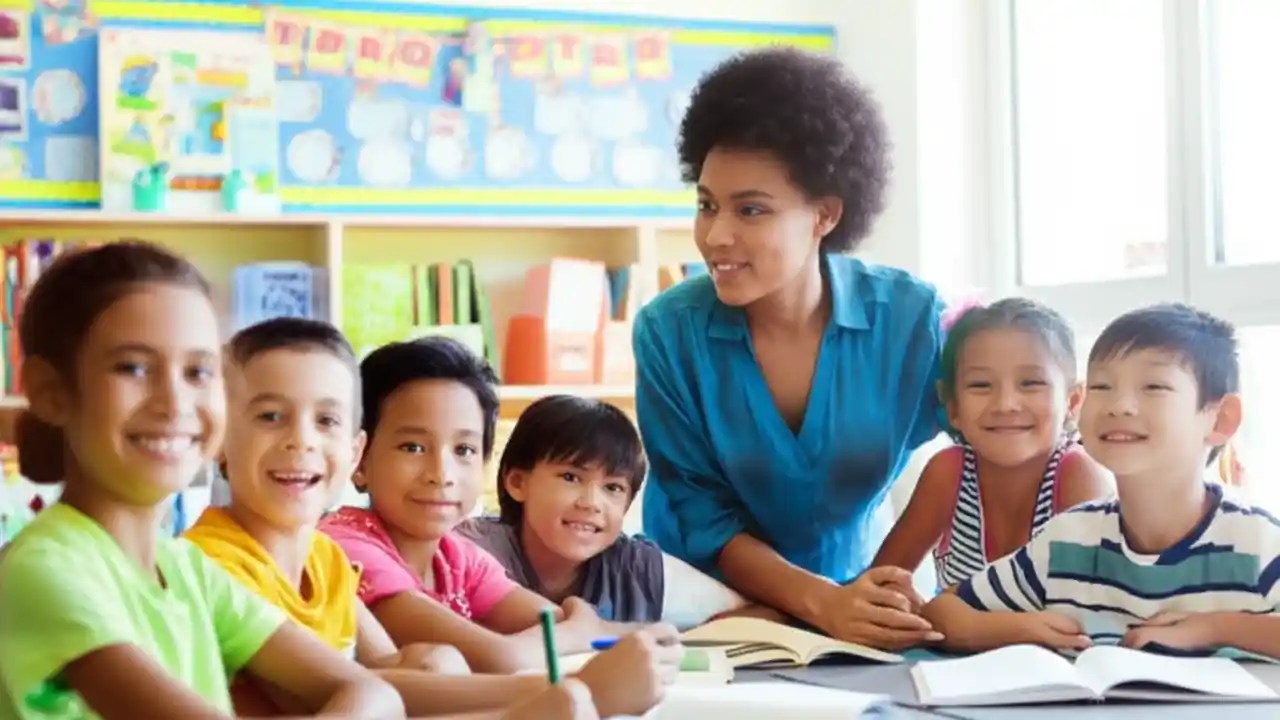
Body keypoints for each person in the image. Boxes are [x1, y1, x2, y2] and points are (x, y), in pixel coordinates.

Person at [187, 318, 669, 718]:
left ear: (350, 447)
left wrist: (634, 647)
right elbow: (345, 690)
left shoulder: (324, 557)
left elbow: (388, 670)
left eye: (326, 421)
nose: (301, 442)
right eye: (271, 416)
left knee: (433, 662)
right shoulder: (217, 562)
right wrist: (569, 689)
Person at [0, 242, 403, 719]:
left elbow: (374, 692)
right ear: (51, 392)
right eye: (134, 367)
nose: (175, 402)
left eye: (198, 371)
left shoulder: (187, 568)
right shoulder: (45, 570)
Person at [633, 45, 945, 649]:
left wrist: (882, 581)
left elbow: (987, 452)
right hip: (704, 606)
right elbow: (702, 519)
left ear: (824, 215)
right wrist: (820, 603)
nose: (716, 235)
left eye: (751, 209)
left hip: (855, 602)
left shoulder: (912, 322)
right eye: (706, 205)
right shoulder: (668, 333)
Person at [319, 337, 680, 701]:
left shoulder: (456, 556)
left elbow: (558, 621)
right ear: (359, 459)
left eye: (464, 450)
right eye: (413, 447)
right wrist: (575, 632)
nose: (441, 473)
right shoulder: (344, 546)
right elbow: (501, 657)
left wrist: (658, 640)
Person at [923, 304, 1280, 659]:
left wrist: (1214, 628)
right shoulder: (1067, 541)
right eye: (1102, 386)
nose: (1119, 405)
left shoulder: (1256, 544)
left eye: (1153, 386)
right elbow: (943, 609)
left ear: (1221, 419)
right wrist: (1017, 629)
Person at [873, 298, 1113, 589]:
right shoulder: (949, 473)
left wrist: (957, 618)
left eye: (1031, 383)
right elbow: (880, 583)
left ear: (1072, 401)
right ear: (952, 406)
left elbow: (1086, 614)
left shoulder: (1078, 476)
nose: (1006, 404)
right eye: (980, 385)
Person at [457, 394, 747, 628]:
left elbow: (744, 613)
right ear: (517, 482)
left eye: (613, 488)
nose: (591, 503)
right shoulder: (468, 553)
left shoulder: (636, 568)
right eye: (571, 477)